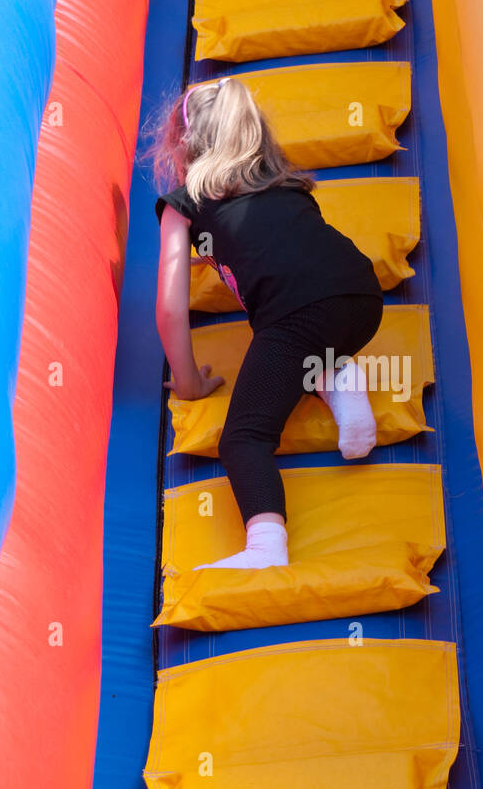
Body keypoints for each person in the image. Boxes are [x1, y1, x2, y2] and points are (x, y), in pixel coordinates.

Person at [151, 75, 384, 570]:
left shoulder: (183, 206)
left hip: (298, 321)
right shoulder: (288, 186)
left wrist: (190, 382)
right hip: (363, 300)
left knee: (244, 438)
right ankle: (338, 376)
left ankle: (266, 547)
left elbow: (170, 308)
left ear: (185, 146)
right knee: (313, 341)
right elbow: (281, 246)